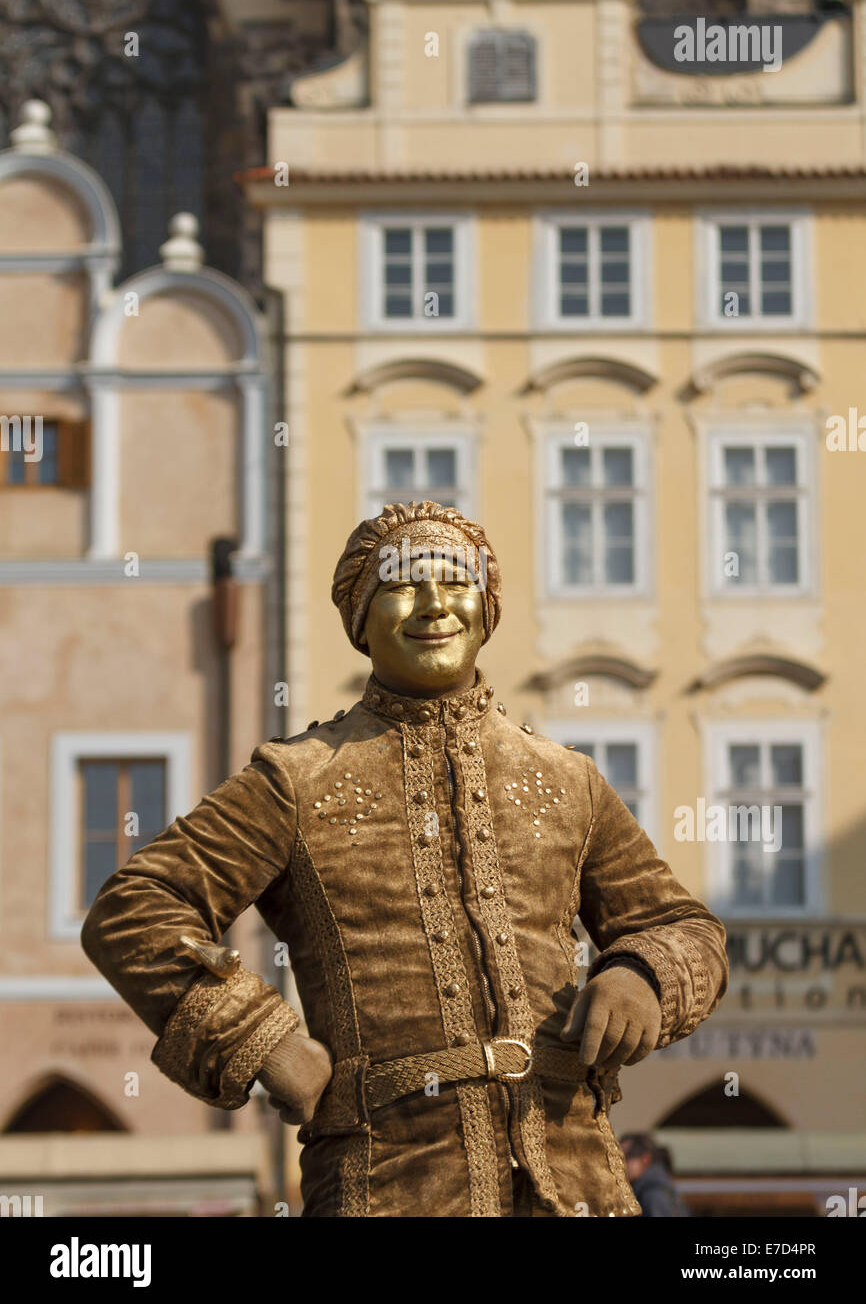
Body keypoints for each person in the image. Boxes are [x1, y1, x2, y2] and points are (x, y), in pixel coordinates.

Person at [81, 500, 729, 1217]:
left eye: (454, 580)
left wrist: (642, 974)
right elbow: (134, 911)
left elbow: (683, 926)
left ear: (486, 607)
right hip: (383, 1188)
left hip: (578, 1187)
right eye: (402, 584)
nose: (433, 604)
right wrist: (256, 1037)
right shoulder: (298, 779)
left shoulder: (566, 779)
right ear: (361, 617)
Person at [621, 1132, 692, 1217]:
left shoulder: (653, 1195)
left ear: (645, 1159)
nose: (619, 1164)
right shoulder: (654, 1189)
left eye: (624, 1157)